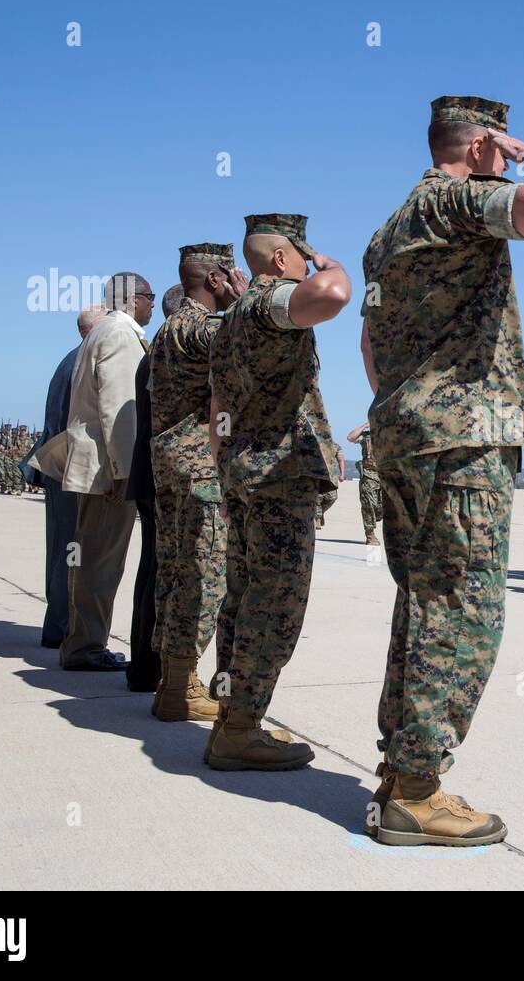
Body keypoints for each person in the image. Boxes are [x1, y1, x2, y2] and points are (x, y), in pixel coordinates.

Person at [360, 94, 524, 845]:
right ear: (481, 142)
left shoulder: (386, 233)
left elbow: (371, 349)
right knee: (463, 609)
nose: (509, 152)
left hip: (407, 434)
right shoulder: (459, 198)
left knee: (422, 601)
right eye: (501, 141)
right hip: (463, 437)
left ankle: (400, 771)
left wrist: (409, 402)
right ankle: (418, 788)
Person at [207, 214, 349, 769]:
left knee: (240, 602)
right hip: (277, 479)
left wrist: (223, 476)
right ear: (285, 259)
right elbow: (334, 294)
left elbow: (218, 407)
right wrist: (328, 264)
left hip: (244, 474)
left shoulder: (229, 323)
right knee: (275, 606)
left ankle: (230, 718)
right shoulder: (270, 303)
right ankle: (241, 729)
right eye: (301, 253)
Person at [150, 261, 245, 717]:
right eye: (229, 274)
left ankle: (172, 677)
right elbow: (253, 352)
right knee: (204, 576)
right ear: (213, 280)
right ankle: (182, 686)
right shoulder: (208, 328)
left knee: (173, 571)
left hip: (169, 463)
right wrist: (244, 305)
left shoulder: (167, 330)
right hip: (200, 467)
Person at [57, 273, 152, 670]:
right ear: (131, 300)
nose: (151, 303)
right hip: (108, 470)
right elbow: (120, 408)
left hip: (97, 464)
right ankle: (86, 648)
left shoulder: (103, 331)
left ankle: (82, 642)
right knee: (101, 560)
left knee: (91, 557)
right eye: (147, 296)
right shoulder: (119, 333)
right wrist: (125, 470)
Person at [28, 306, 104, 648]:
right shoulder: (84, 360)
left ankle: (57, 626)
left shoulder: (69, 359)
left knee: (62, 549)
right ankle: (65, 628)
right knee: (74, 552)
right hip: (71, 469)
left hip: (59, 467)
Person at [347, 422, 382, 545]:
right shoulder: (365, 436)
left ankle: (374, 519)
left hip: (386, 475)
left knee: (381, 508)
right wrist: (363, 426)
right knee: (369, 505)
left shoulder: (390, 434)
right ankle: (370, 535)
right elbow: (350, 438)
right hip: (369, 475)